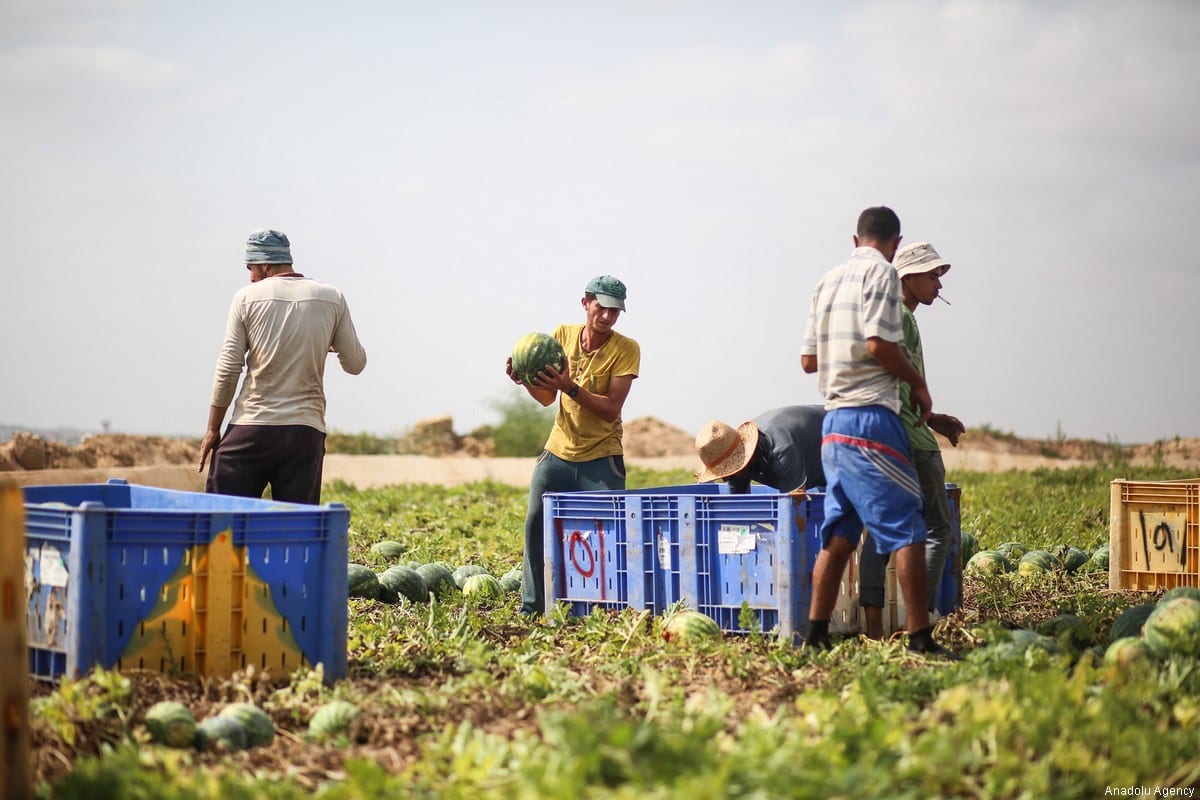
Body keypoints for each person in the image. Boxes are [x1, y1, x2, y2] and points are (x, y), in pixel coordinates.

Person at [799, 206, 950, 655]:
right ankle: (920, 637)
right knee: (908, 526)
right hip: (872, 418)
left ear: (855, 239)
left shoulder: (825, 281)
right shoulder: (883, 275)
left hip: (834, 421)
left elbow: (809, 362)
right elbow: (878, 345)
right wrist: (916, 382)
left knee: (841, 533)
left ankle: (815, 635)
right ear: (895, 244)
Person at [198, 228, 367, 505]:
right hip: (305, 433)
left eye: (251, 268)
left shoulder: (246, 297)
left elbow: (229, 367)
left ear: (265, 264)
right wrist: (328, 342)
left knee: (221, 524)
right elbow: (356, 364)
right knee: (296, 529)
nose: (251, 276)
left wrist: (213, 429)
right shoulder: (332, 297)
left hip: (252, 427)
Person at [506, 276, 641, 616]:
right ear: (586, 303)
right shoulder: (562, 336)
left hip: (602, 455)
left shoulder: (627, 349)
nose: (608, 317)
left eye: (615, 311)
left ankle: (605, 609)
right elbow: (546, 397)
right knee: (536, 525)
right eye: (602, 307)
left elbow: (612, 408)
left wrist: (571, 386)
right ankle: (532, 608)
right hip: (559, 451)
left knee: (606, 536)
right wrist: (525, 381)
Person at [858, 241, 966, 639]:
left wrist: (934, 418)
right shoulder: (902, 318)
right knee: (938, 529)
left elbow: (893, 383)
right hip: (911, 444)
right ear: (907, 276)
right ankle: (918, 621)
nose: (938, 284)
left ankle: (873, 627)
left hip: (881, 438)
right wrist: (923, 423)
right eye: (932, 275)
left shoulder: (887, 317)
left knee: (880, 530)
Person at [693, 406, 827, 494]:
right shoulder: (738, 467)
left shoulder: (781, 450)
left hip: (841, 442)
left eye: (728, 473)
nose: (726, 479)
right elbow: (738, 504)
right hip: (818, 469)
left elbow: (795, 504)